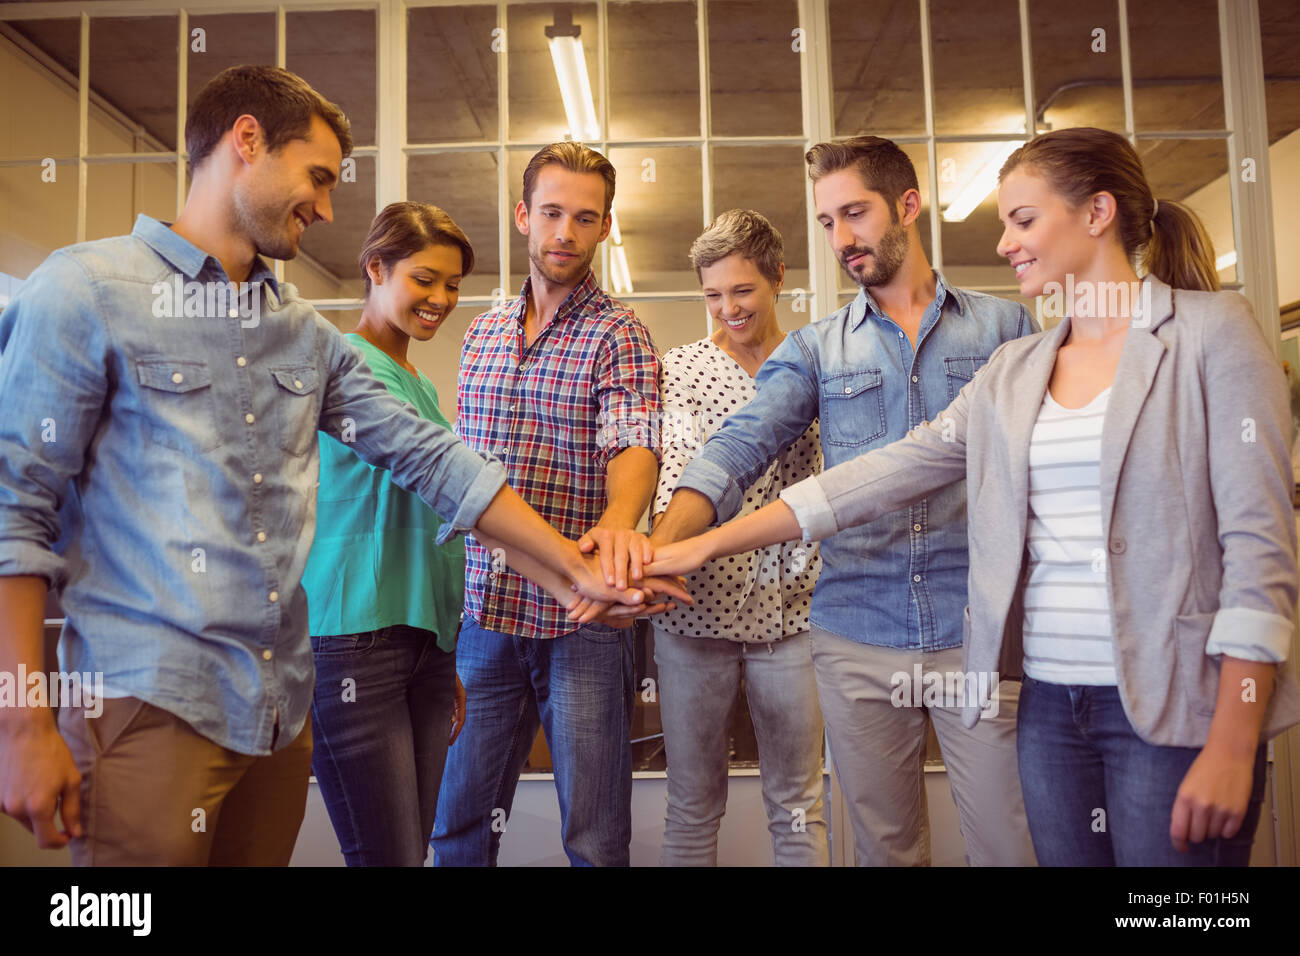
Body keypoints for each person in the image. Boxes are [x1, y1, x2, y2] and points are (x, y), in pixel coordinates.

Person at [0, 67, 680, 866]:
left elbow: (431, 457)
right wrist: (21, 719)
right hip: (148, 706)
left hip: (279, 717)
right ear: (246, 141)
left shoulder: (301, 334)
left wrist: (575, 570)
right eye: (318, 177)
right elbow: (16, 512)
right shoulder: (84, 290)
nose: (326, 208)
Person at [645, 126, 1300, 866]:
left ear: (1097, 213)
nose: (1004, 244)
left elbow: (1259, 552)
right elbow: (880, 474)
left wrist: (1236, 737)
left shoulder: (1207, 332)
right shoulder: (1021, 364)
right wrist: (689, 545)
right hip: (1048, 697)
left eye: (1023, 220)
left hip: (1143, 693)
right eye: (826, 221)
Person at [643, 136, 1038, 866]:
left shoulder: (1005, 330)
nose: (843, 238)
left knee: (1010, 847)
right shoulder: (817, 350)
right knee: (885, 852)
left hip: (975, 635)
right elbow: (733, 453)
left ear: (908, 205)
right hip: (857, 635)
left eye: (854, 213)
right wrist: (662, 552)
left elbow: (1036, 474)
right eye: (827, 222)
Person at [431, 142, 663, 868]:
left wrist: (618, 527)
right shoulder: (481, 335)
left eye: (585, 218)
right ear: (524, 215)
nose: (565, 232)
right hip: (485, 613)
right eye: (553, 212)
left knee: (594, 835)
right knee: (460, 822)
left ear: (603, 228)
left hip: (581, 616)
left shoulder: (618, 333)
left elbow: (633, 443)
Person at [652, 209, 827, 865]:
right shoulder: (681, 370)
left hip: (796, 616)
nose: (727, 308)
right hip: (694, 615)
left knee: (799, 807)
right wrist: (661, 557)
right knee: (692, 806)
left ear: (778, 278)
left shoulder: (814, 364)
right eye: (713, 295)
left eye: (742, 291)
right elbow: (676, 479)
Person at [300, 202, 472, 866]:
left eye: (453, 284)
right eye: (425, 279)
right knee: (388, 857)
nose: (441, 299)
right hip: (352, 639)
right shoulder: (338, 364)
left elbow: (430, 525)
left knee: (411, 849)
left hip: (424, 644)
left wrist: (444, 647)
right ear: (376, 266)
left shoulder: (424, 385)